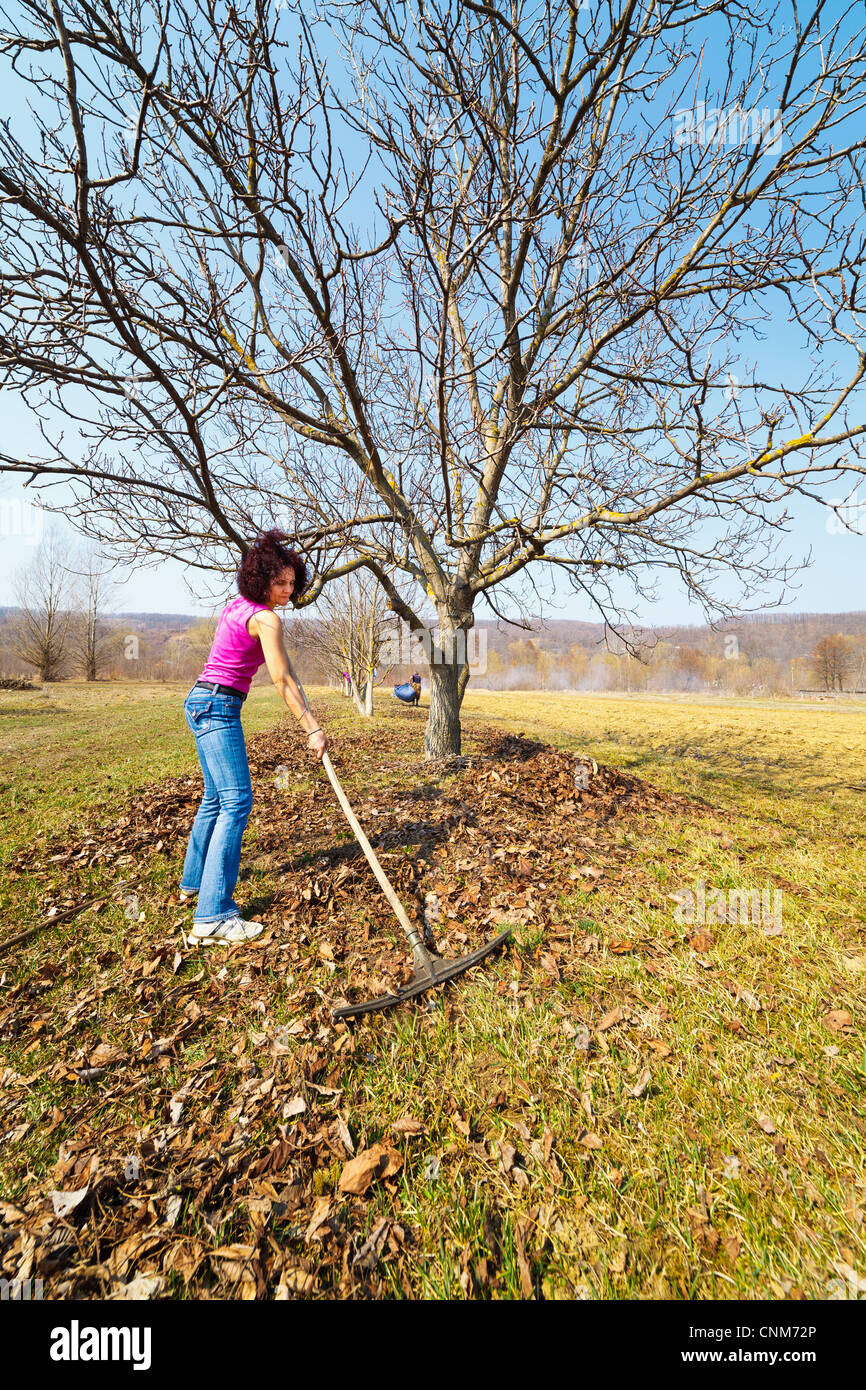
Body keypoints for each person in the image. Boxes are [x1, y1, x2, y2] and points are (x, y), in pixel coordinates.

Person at [179, 530, 329, 946]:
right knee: (237, 802)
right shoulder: (267, 618)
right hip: (218, 707)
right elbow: (279, 678)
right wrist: (312, 729)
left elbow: (282, 668)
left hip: (199, 701)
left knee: (215, 797)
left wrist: (293, 682)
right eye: (279, 583)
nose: (286, 591)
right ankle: (212, 916)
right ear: (259, 577)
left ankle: (193, 882)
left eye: (291, 584)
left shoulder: (239, 607)